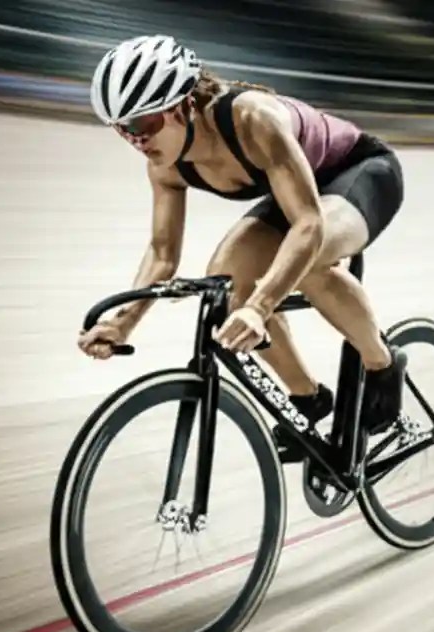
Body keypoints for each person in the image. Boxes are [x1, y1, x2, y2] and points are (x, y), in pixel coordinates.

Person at [76, 34, 408, 458]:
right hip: (296, 186)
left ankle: (381, 363)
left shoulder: (252, 119)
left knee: (302, 264)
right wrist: (123, 323)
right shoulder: (164, 168)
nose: (136, 139)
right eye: (122, 129)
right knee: (229, 284)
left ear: (182, 105)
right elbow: (162, 255)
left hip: (361, 173)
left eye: (144, 123)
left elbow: (308, 225)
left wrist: (261, 306)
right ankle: (307, 400)